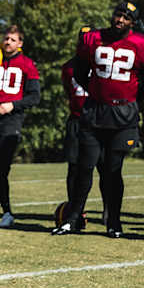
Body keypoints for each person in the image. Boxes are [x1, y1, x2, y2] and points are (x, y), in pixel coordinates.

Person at [53, 0, 144, 238]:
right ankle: (72, 219)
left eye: (126, 17)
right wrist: (94, 91)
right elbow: (79, 71)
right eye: (117, 15)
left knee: (113, 170)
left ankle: (114, 221)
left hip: (123, 115)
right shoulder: (92, 39)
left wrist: (131, 96)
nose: (120, 20)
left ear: (132, 22)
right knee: (84, 167)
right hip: (95, 111)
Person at [0, 25, 41, 227]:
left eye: (13, 40)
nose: (8, 42)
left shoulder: (27, 64)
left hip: (11, 118)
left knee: (2, 167)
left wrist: (12, 105)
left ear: (20, 43)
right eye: (6, 38)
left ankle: (2, 209)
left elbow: (35, 96)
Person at [57, 31, 90, 229]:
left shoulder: (102, 61)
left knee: (105, 169)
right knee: (74, 168)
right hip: (77, 120)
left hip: (99, 121)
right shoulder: (68, 67)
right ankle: (76, 211)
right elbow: (69, 92)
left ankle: (109, 213)